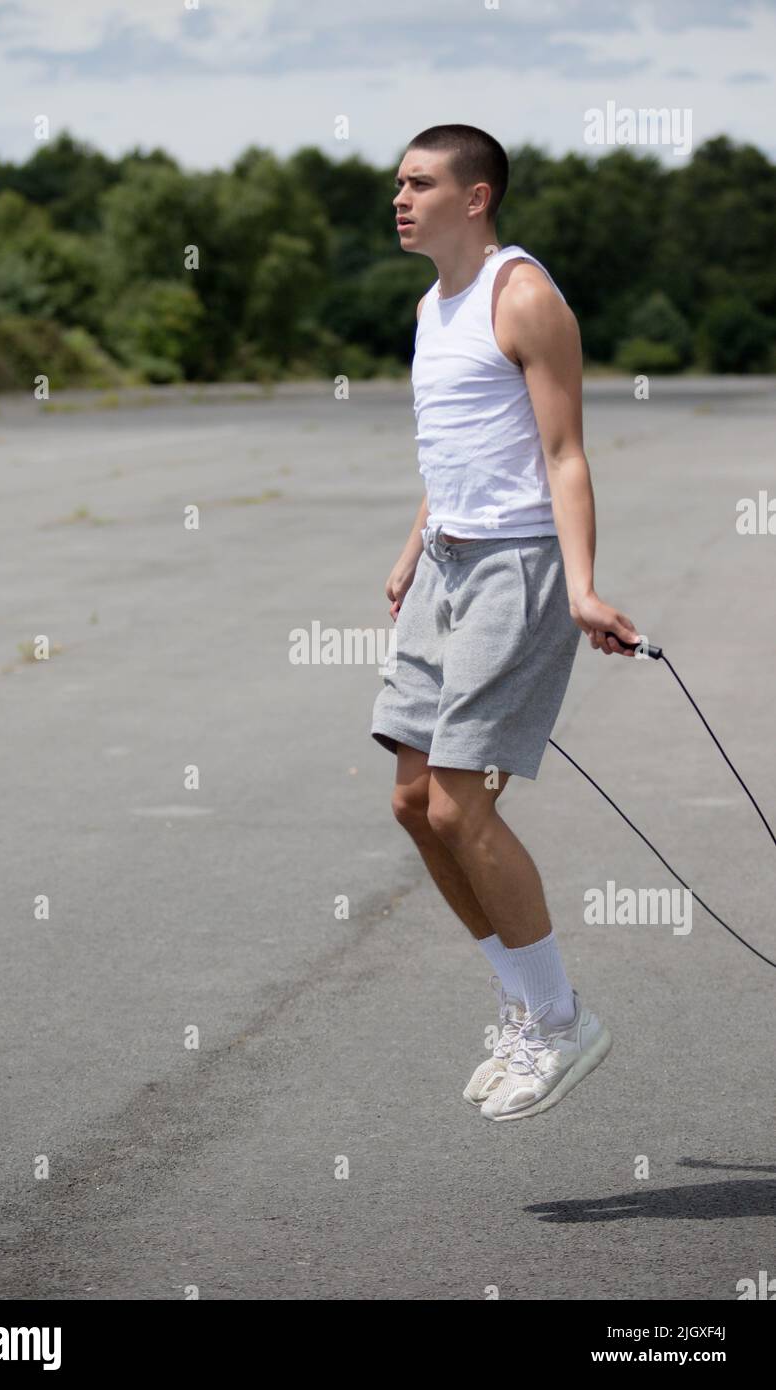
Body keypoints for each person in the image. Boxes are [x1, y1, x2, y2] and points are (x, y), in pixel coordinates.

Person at [370, 124, 641, 1122]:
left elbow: (562, 451)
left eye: (419, 182)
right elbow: (452, 454)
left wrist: (580, 587)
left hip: (517, 568)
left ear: (474, 196)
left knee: (457, 806)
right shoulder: (429, 305)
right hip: (443, 564)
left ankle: (561, 1019)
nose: (398, 198)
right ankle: (527, 1006)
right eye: (396, 182)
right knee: (410, 802)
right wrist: (411, 552)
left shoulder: (520, 295)